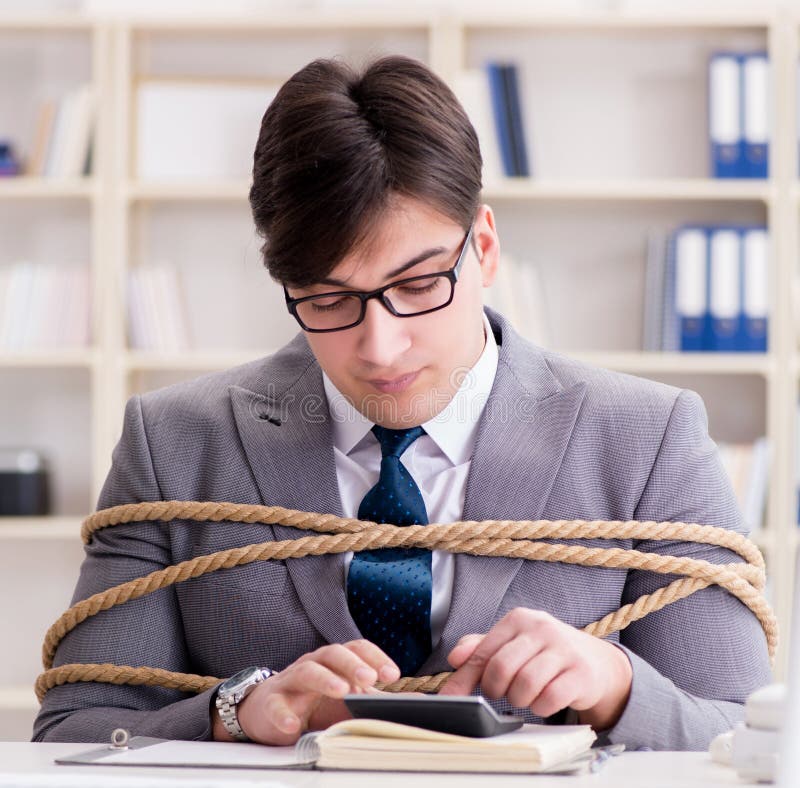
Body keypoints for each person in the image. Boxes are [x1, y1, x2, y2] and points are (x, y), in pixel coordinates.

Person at [34, 54, 770, 751]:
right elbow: (73, 730)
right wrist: (236, 712)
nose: (380, 348)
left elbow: (742, 736)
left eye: (418, 286)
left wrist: (616, 685)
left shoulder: (647, 437)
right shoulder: (175, 443)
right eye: (327, 299)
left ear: (483, 248)